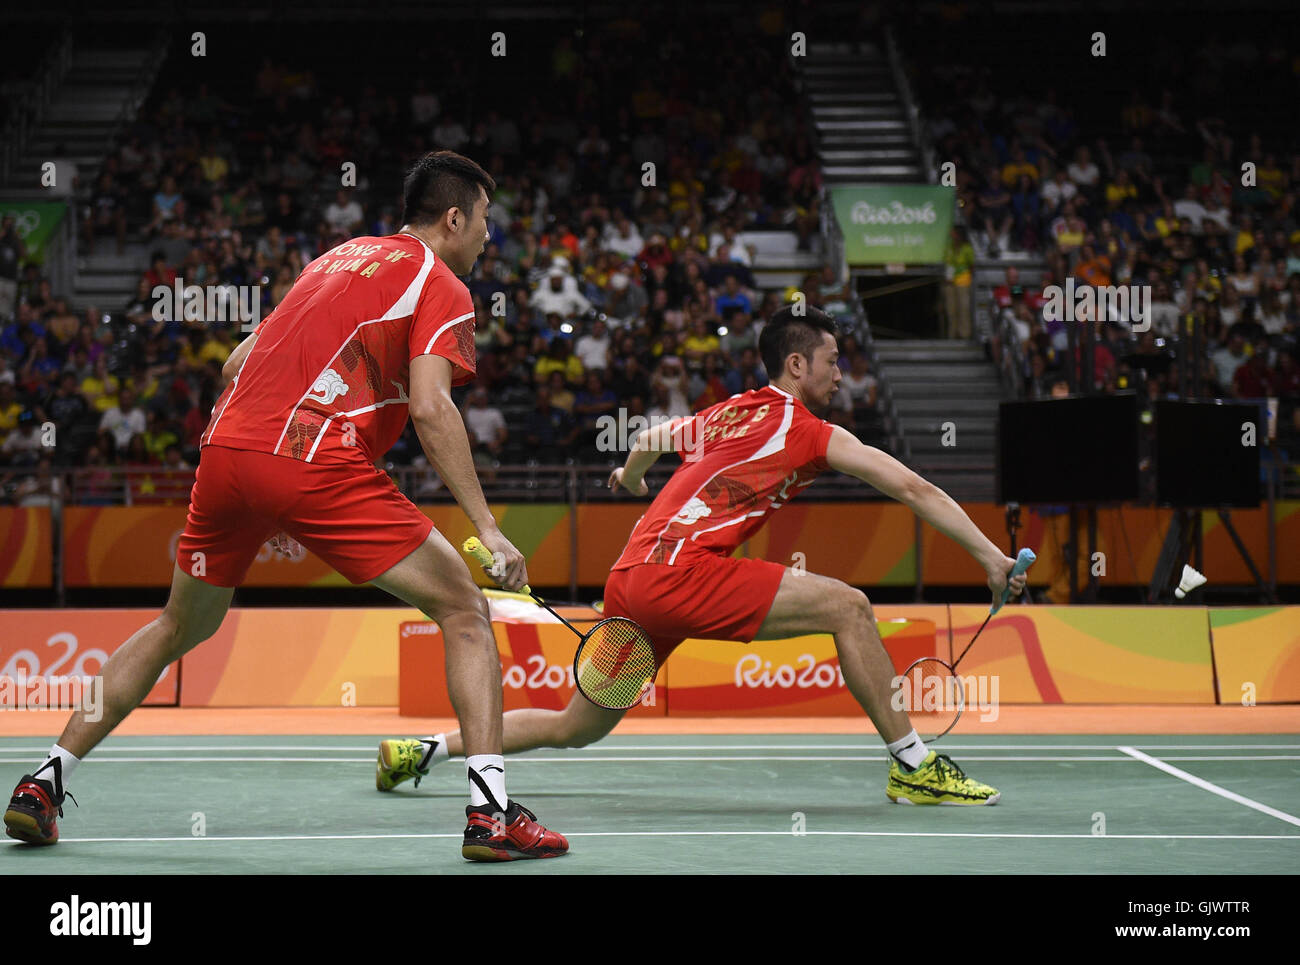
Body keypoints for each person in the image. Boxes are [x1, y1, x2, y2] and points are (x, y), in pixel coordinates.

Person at [4, 150, 567, 862]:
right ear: (454, 219)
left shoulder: (335, 259)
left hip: (227, 449)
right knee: (464, 610)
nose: (490, 235)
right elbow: (432, 406)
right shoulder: (442, 284)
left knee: (178, 624)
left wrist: (268, 472)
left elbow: (234, 364)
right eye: (485, 219)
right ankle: (490, 815)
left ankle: (43, 782)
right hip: (313, 454)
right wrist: (488, 526)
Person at [376, 306, 1027, 806]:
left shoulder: (728, 414)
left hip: (631, 581)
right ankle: (913, 765)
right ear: (796, 365)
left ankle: (422, 749)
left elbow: (651, 439)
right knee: (850, 607)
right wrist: (991, 558)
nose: (840, 373)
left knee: (577, 725)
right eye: (832, 361)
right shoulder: (807, 430)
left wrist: (632, 479)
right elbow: (913, 487)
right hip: (680, 575)